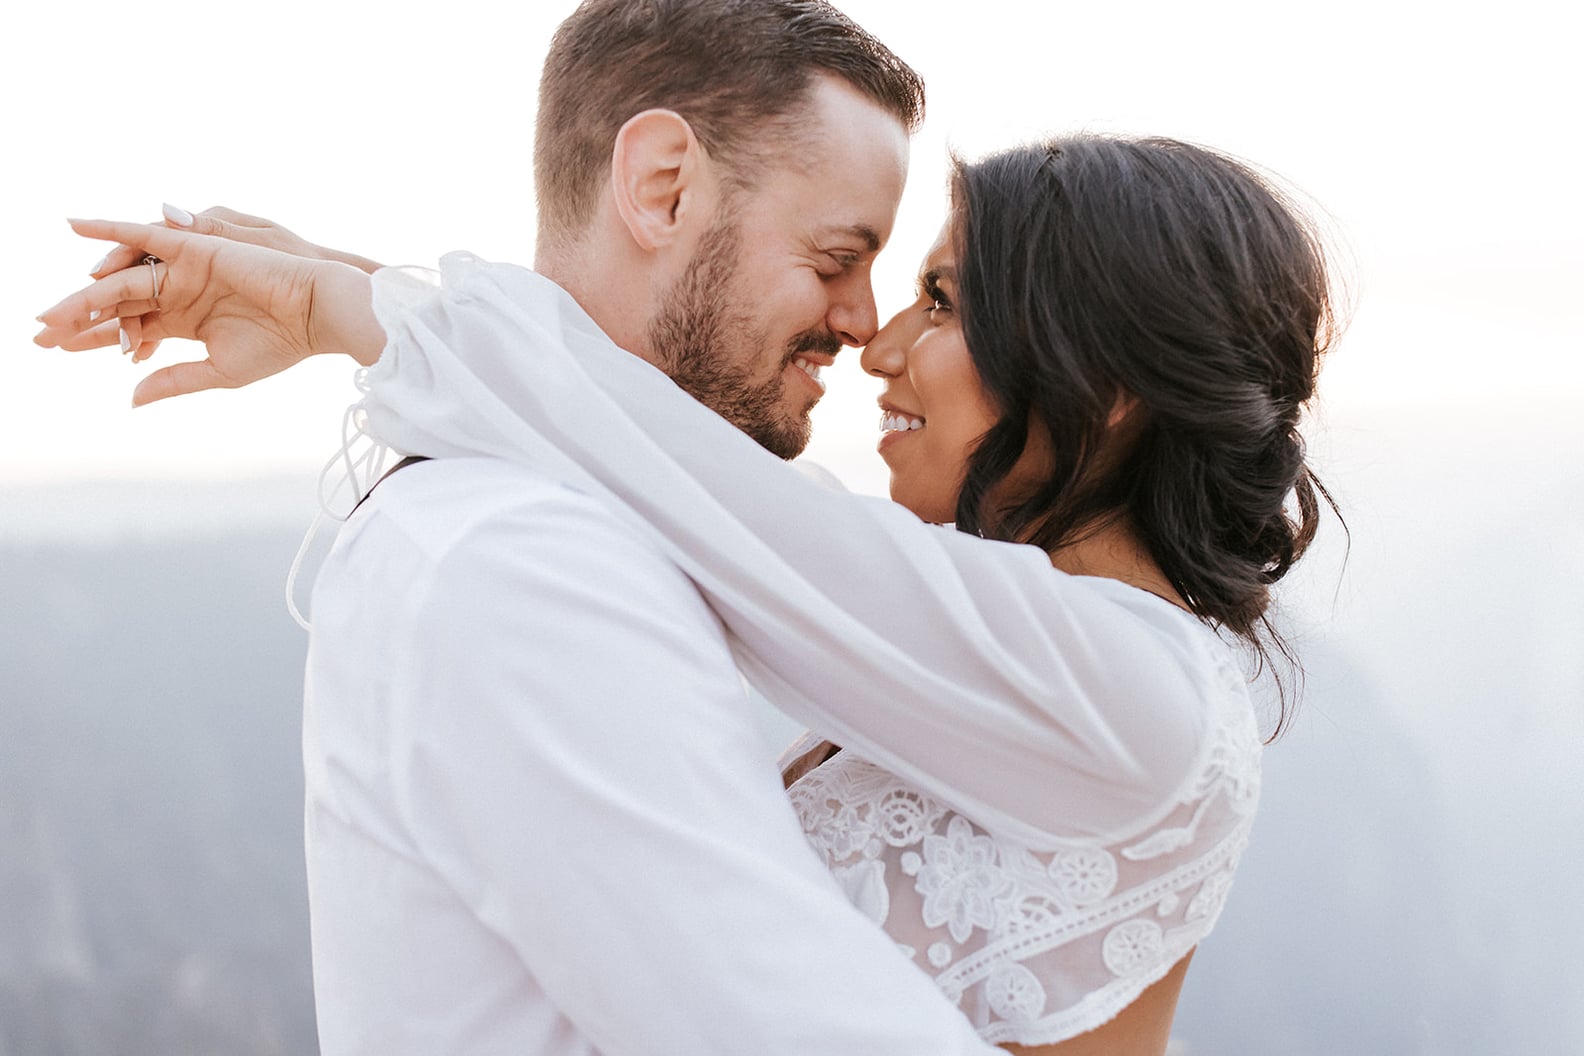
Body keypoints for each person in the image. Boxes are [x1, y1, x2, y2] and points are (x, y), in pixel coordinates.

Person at [37, 129, 1338, 1053]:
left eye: (942, 300)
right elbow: (665, 466)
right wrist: (331, 279)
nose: (876, 344)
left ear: (1113, 387)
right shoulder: (1062, 663)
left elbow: (694, 485)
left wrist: (339, 304)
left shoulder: (1142, 694)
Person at [38, 3, 1015, 1055]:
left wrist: (354, 298)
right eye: (834, 259)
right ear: (662, 188)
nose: (864, 321)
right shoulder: (531, 571)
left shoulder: (572, 519)